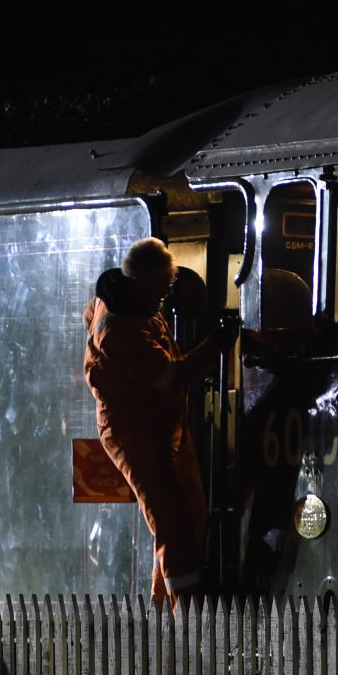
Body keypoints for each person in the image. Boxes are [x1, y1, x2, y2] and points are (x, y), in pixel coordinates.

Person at [82, 237, 230, 600]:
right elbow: (170, 376)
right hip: (135, 432)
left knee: (188, 517)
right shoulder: (121, 330)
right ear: (142, 280)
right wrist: (215, 345)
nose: (164, 297)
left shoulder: (129, 304)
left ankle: (163, 608)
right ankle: (186, 617)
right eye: (161, 288)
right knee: (173, 525)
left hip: (162, 426)